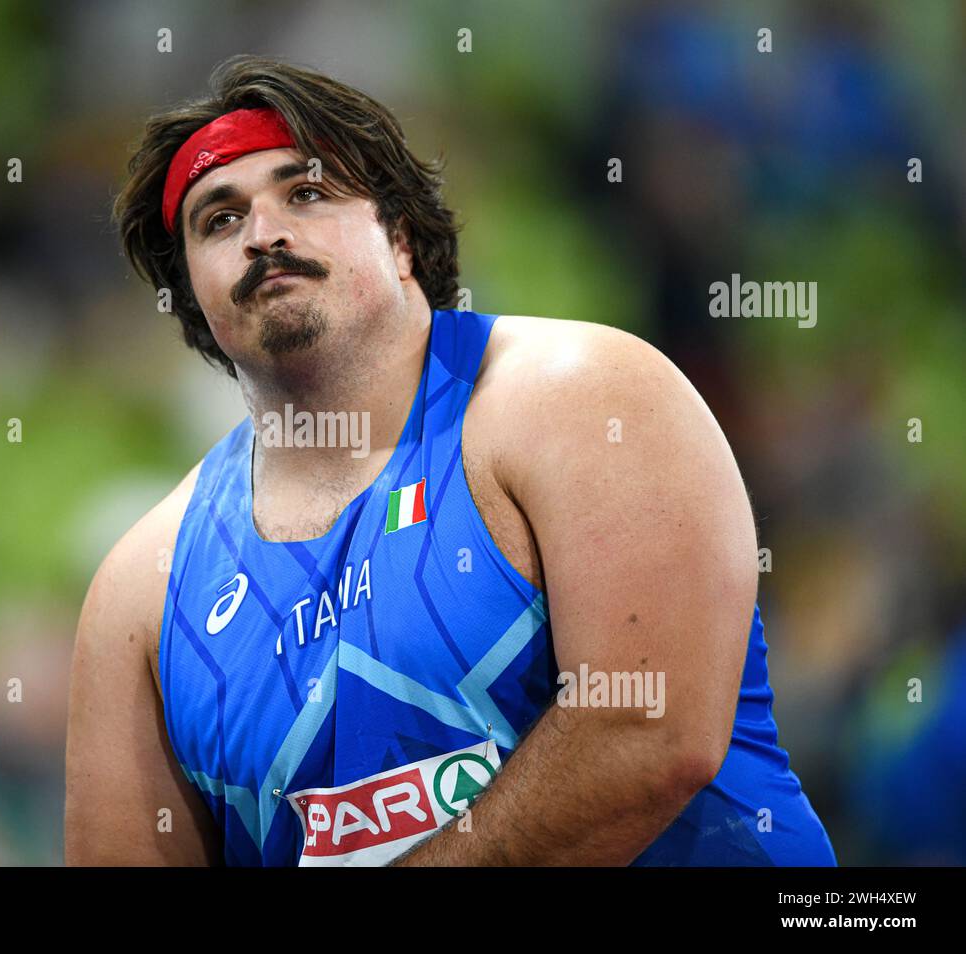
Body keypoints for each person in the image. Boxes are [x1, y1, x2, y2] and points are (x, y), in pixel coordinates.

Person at [64, 54, 836, 866]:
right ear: (190, 295)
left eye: (308, 192)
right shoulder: (142, 592)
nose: (264, 234)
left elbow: (652, 736)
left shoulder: (580, 399)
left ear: (399, 238)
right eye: (219, 220)